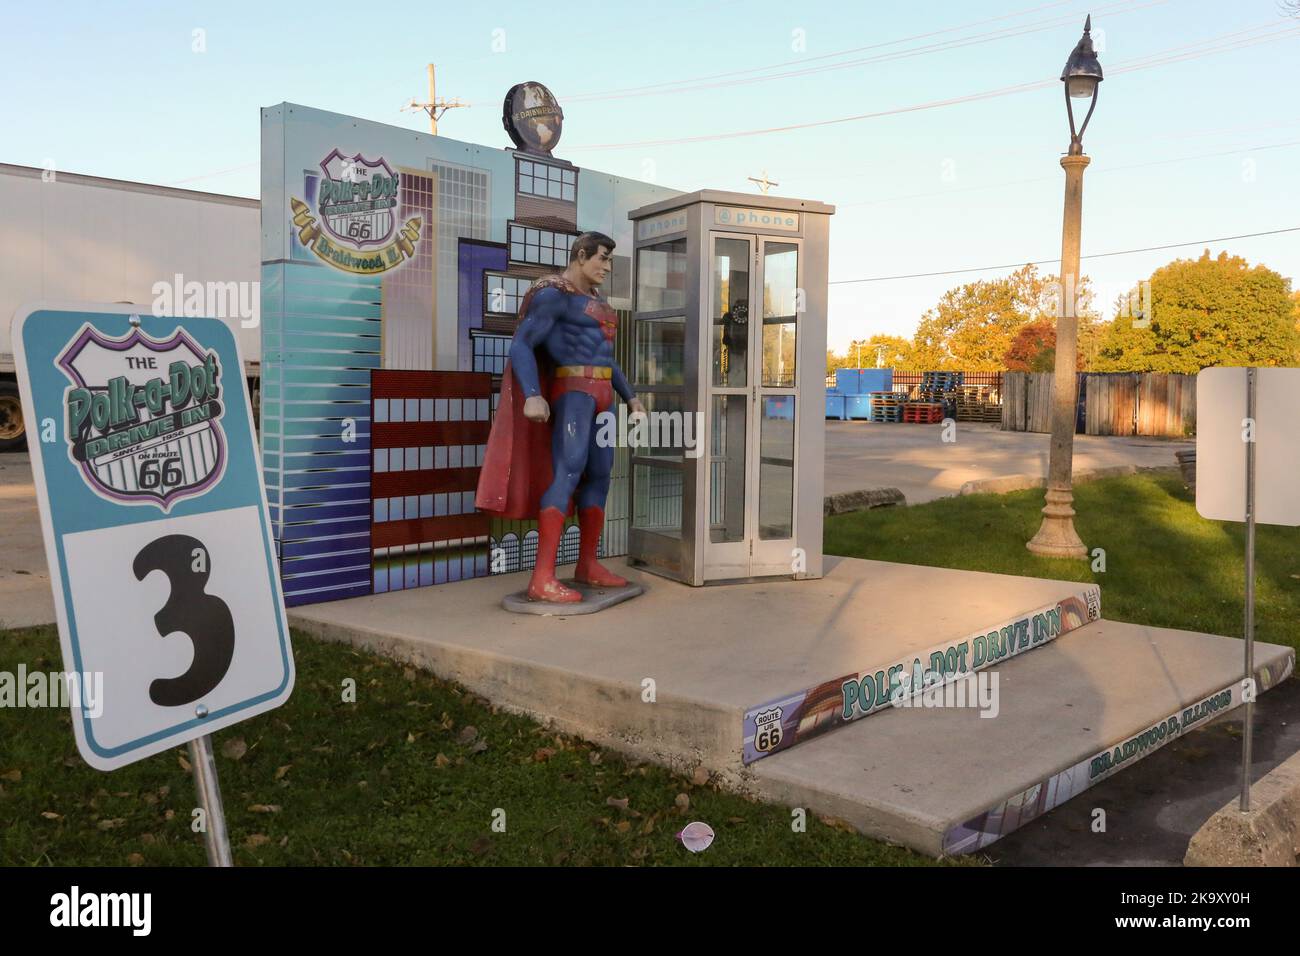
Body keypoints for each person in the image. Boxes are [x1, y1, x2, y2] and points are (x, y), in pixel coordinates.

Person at [476, 231, 645, 603]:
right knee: (567, 470)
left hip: (602, 396)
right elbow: (522, 343)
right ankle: (542, 577)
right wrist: (533, 395)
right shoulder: (554, 294)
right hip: (573, 394)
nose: (606, 266)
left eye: (609, 260)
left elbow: (607, 358)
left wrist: (630, 397)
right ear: (581, 255)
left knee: (600, 476)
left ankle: (587, 565)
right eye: (601, 258)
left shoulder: (594, 300)